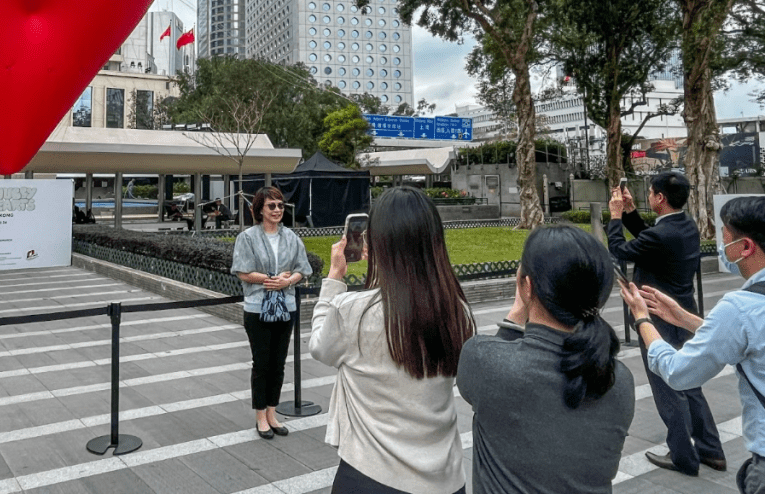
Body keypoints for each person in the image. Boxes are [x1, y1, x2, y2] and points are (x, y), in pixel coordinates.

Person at [309, 186, 473, 494]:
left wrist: (333, 280)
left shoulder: (353, 311)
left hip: (369, 475)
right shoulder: (458, 311)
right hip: (446, 479)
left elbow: (319, 346)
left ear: (377, 243)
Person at [458, 225, 635, 494]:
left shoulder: (484, 359)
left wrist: (517, 312)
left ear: (527, 286)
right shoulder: (620, 381)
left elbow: (493, 367)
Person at [619, 196, 765, 494]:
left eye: (725, 235)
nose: (722, 244)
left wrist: (642, 320)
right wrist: (684, 318)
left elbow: (677, 373)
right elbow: (752, 338)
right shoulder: (745, 313)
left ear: (746, 247)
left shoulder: (739, 308)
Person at [607, 172, 726, 475]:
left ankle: (683, 457)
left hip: (659, 318)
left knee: (667, 387)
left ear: (660, 198)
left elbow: (620, 250)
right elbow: (648, 239)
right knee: (691, 383)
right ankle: (711, 450)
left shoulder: (661, 235)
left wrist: (617, 216)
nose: (646, 196)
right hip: (685, 314)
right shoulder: (685, 226)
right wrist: (632, 213)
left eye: (649, 193)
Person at [230, 186, 313, 440]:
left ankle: (272, 412)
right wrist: (271, 279)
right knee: (262, 364)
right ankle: (260, 416)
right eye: (271, 206)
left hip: (285, 307)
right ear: (260, 209)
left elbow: (303, 268)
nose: (277, 210)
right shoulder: (247, 238)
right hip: (257, 308)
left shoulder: (291, 238)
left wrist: (288, 282)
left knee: (278, 364)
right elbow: (242, 271)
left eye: (280, 205)